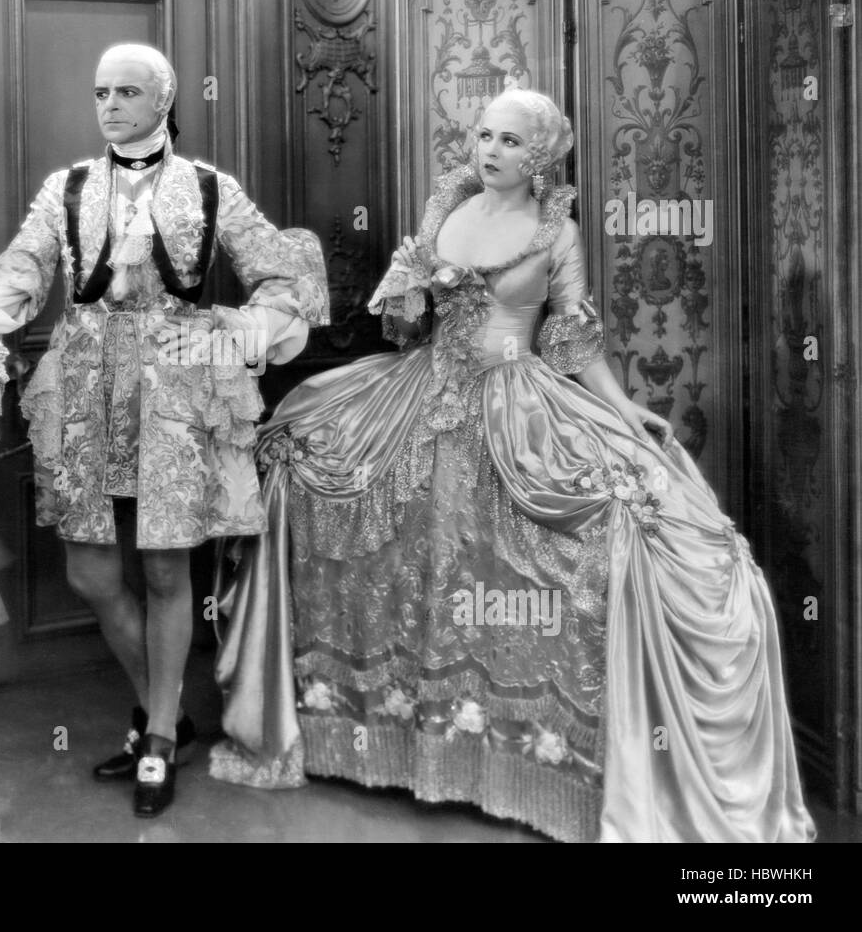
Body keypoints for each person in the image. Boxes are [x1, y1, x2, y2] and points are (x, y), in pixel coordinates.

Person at [211, 88, 816, 843]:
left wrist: (624, 413)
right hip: (421, 395)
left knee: (627, 517)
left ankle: (550, 757)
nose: (487, 151)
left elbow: (573, 340)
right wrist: (403, 290)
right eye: (482, 136)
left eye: (506, 141)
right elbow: (403, 330)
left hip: (516, 401)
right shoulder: (446, 212)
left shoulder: (556, 231)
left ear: (539, 156)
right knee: (303, 455)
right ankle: (376, 728)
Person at [0, 43, 328, 816]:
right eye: (100, 91)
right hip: (82, 390)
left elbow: (286, 279)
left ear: (163, 99)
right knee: (93, 574)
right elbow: (23, 271)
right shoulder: (65, 187)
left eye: (128, 92)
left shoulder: (210, 189)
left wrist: (232, 329)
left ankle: (161, 735)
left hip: (177, 392)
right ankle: (165, 710)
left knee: (169, 572)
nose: (109, 105)